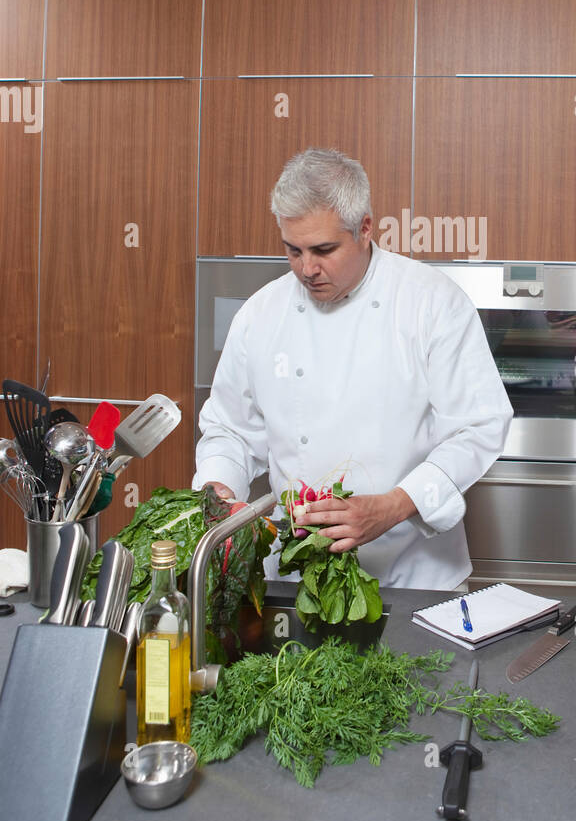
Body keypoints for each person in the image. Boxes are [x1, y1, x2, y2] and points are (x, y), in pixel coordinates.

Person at [193, 148, 513, 589]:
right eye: (293, 250)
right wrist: (219, 487)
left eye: (324, 249)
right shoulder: (260, 314)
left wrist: (396, 504)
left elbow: (478, 426)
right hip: (294, 573)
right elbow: (229, 430)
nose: (307, 269)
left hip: (412, 575)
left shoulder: (430, 302)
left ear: (365, 229)